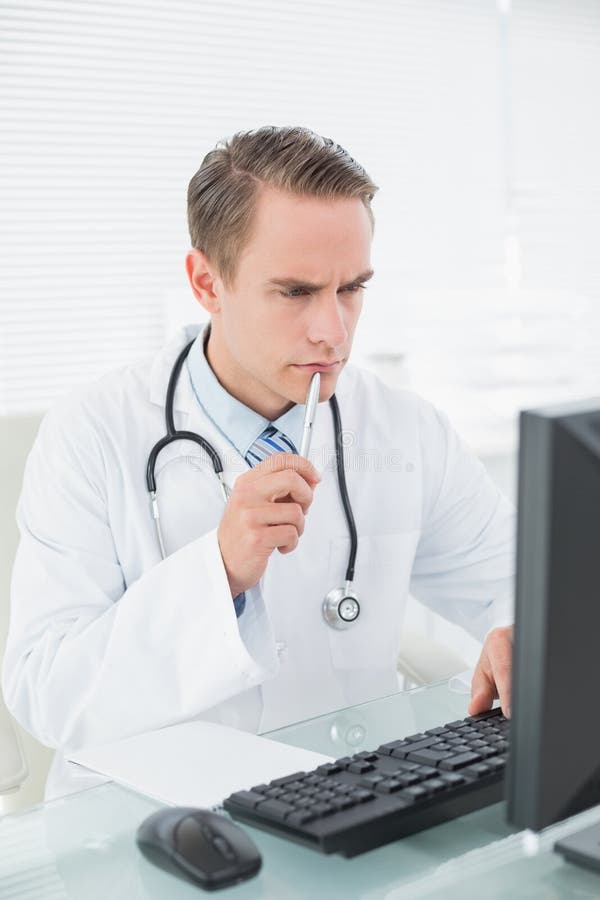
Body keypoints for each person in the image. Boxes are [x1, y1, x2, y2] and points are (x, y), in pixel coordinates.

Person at [2, 126, 515, 800]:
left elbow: (516, 579)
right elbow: (46, 694)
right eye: (296, 292)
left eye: (352, 288)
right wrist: (218, 574)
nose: (333, 330)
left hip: (349, 808)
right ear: (206, 282)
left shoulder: (406, 430)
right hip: (155, 832)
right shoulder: (91, 433)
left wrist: (528, 632)